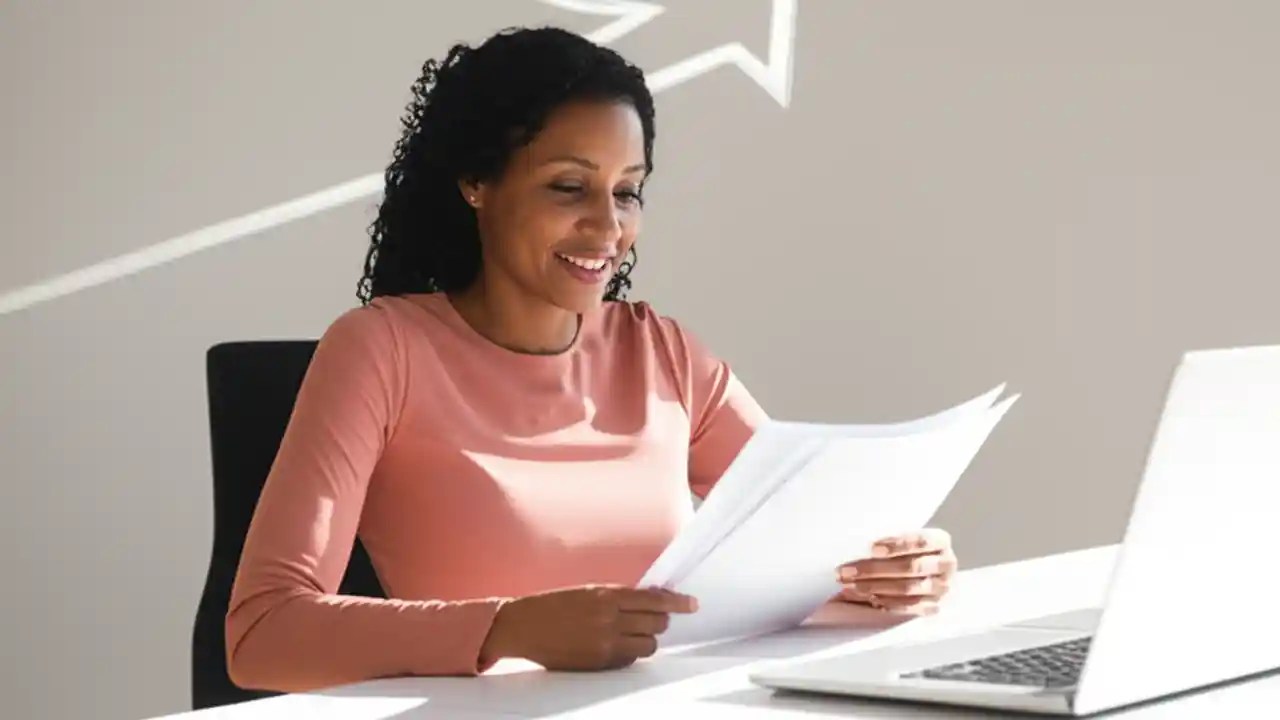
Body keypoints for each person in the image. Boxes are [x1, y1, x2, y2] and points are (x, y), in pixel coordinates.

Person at [225, 25, 958, 694]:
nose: (608, 226)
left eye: (628, 191)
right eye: (569, 187)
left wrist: (891, 571)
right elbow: (262, 633)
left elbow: (808, 544)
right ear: (476, 182)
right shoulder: (381, 349)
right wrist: (507, 628)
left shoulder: (662, 353)